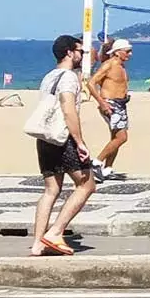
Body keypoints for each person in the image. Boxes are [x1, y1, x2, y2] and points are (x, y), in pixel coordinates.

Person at [31, 35, 97, 256]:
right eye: (80, 51)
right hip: (63, 138)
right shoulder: (69, 77)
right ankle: (55, 232)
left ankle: (38, 244)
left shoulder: (48, 77)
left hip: (45, 137)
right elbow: (68, 108)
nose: (82, 56)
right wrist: (79, 142)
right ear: (69, 52)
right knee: (87, 185)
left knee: (51, 189)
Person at [89, 39, 134, 181]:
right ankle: (96, 163)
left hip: (120, 104)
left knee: (115, 138)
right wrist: (101, 103)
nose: (130, 54)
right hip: (110, 104)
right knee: (122, 137)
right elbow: (91, 83)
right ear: (117, 52)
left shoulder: (122, 67)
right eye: (127, 51)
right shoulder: (108, 65)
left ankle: (107, 169)